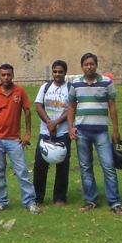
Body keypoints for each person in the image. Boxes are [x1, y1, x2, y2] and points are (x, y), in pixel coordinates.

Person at [67, 52, 122, 215]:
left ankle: (115, 202)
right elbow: (71, 107)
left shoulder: (106, 83)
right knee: (86, 167)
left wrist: (115, 130)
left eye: (92, 63)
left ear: (96, 65)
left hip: (101, 132)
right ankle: (90, 200)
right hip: (82, 132)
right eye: (86, 64)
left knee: (108, 166)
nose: (89, 67)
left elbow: (112, 107)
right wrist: (70, 127)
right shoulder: (75, 84)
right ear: (81, 66)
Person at [0, 64, 41, 214]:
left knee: (22, 171)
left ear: (13, 75)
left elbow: (27, 112)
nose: (6, 77)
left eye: (8, 74)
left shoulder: (19, 91)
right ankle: (1, 201)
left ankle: (30, 202)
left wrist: (27, 134)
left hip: (14, 140)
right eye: (3, 75)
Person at [33, 60, 71, 206]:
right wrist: (49, 123)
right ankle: (38, 197)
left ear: (65, 73)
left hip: (63, 133)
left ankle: (59, 198)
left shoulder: (70, 88)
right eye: (55, 71)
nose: (57, 74)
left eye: (60, 72)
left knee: (62, 166)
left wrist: (56, 123)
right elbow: (38, 106)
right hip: (45, 133)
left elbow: (70, 110)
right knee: (40, 166)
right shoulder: (45, 87)